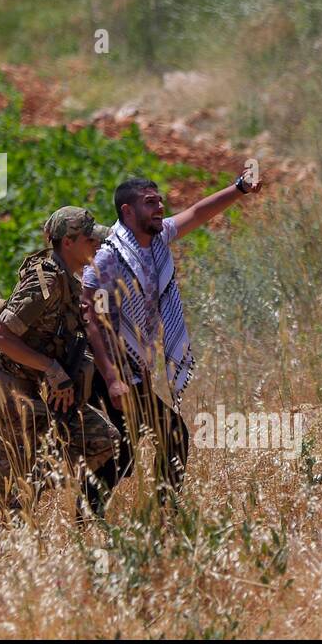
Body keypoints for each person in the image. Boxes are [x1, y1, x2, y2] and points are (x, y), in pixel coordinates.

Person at [82, 172, 263, 501]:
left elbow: (196, 213)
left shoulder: (156, 240)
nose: (160, 207)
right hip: (112, 366)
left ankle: (91, 517)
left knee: (124, 453)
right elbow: (90, 318)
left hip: (134, 367)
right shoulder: (110, 257)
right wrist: (111, 378)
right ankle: (162, 513)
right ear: (127, 212)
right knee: (171, 434)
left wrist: (239, 189)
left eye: (160, 201)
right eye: (150, 203)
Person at [0, 207, 119, 535]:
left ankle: (67, 516)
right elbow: (0, 337)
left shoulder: (69, 281)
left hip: (41, 393)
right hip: (13, 393)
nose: (96, 245)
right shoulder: (45, 280)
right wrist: (52, 369)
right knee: (6, 488)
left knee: (103, 441)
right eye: (89, 239)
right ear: (68, 242)